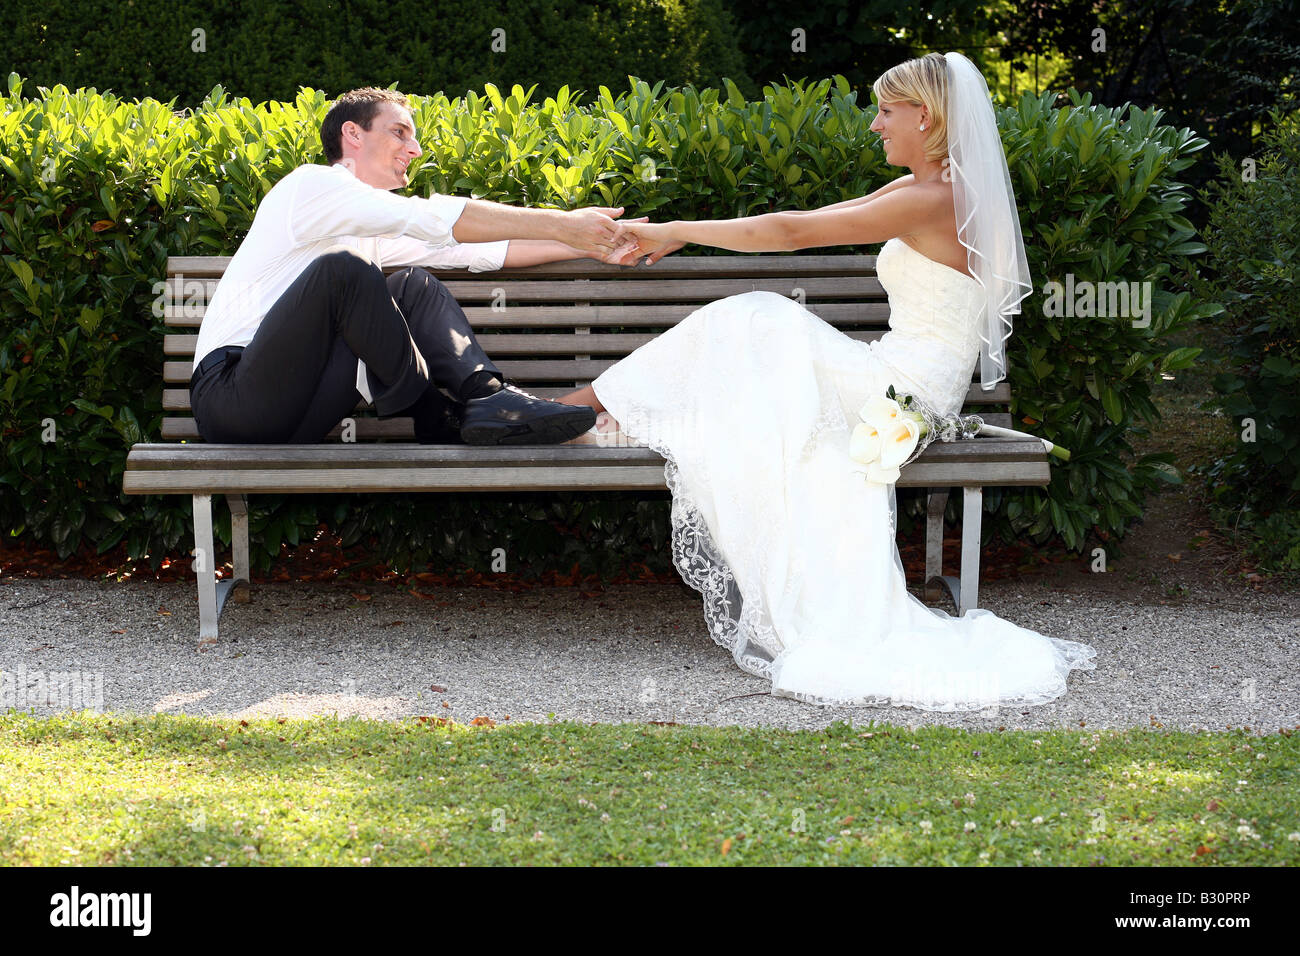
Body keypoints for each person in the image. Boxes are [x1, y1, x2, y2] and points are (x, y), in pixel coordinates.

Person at [559, 52, 1098, 711]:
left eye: (886, 112)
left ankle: (570, 413)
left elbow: (792, 232)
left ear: (924, 117)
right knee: (751, 334)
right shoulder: (929, 189)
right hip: (898, 384)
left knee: (753, 316)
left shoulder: (936, 198)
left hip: (898, 393)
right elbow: (808, 215)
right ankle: (583, 414)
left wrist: (673, 232)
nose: (876, 126)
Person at [190, 87, 639, 446]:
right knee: (344, 269)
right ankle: (434, 413)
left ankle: (488, 398)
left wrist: (594, 244)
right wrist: (564, 223)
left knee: (413, 284)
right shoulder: (312, 185)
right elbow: (435, 217)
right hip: (233, 400)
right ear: (354, 134)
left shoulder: (369, 227)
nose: (416, 148)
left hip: (301, 418)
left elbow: (475, 249)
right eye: (400, 133)